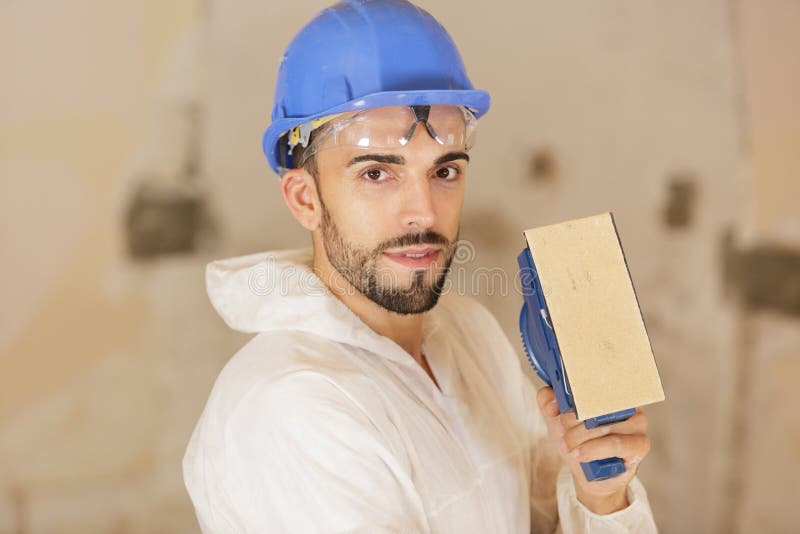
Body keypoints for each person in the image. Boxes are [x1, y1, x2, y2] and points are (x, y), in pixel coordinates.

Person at [183, 1, 658, 532]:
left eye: (444, 171)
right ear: (304, 199)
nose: (424, 213)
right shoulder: (291, 406)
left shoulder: (469, 333)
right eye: (376, 174)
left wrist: (601, 497)